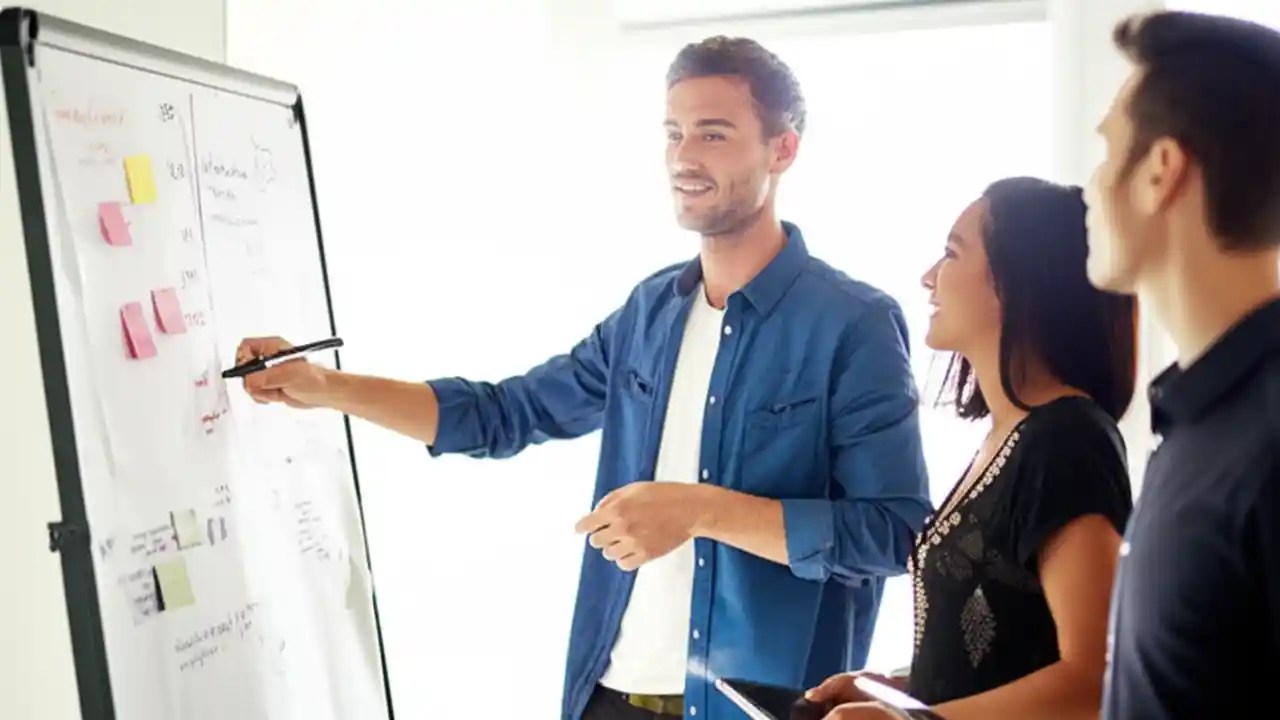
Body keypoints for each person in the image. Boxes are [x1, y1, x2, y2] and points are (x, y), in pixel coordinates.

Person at [234, 36, 932, 720]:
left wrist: (699, 509)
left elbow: (893, 533)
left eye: (713, 135)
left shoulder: (853, 324)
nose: (684, 157)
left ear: (782, 149)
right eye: (673, 133)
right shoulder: (649, 313)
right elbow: (503, 415)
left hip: (758, 709)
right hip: (608, 696)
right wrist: (329, 388)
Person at [805, 177, 1137, 720]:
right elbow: (1006, 650)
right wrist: (892, 690)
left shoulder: (1068, 441)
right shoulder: (1009, 438)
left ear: (1017, 281)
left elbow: (1093, 680)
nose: (929, 277)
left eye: (952, 253)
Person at [1082, 11, 1280, 719]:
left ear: (1161, 170)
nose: (1092, 187)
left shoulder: (1267, 437)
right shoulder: (1197, 425)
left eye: (1107, 152)